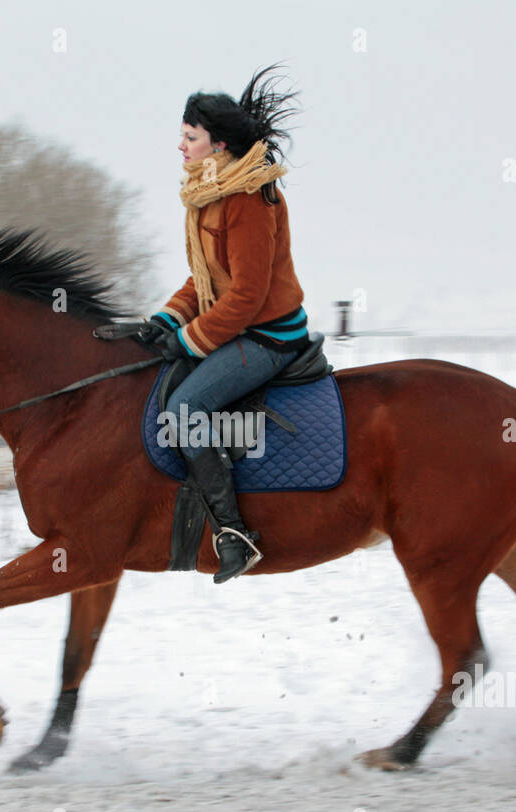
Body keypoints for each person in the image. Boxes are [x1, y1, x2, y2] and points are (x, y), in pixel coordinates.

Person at [136, 63, 309, 583]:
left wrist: (189, 339)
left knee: (186, 407)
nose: (181, 146)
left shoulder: (250, 198)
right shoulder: (208, 194)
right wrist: (165, 319)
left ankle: (234, 534)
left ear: (218, 145)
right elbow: (205, 280)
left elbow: (249, 295)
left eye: (189, 137)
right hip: (236, 325)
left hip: (269, 335)